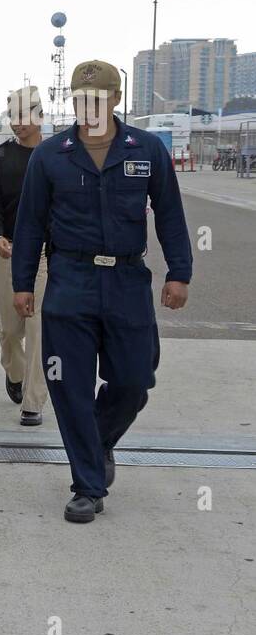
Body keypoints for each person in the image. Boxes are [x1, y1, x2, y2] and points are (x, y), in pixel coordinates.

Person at [12, 59, 191, 524]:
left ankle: (97, 441)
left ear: (115, 99)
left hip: (128, 281)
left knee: (135, 380)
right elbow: (29, 224)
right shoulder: (51, 155)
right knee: (68, 386)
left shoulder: (146, 149)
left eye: (97, 97)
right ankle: (88, 486)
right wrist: (22, 284)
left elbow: (169, 213)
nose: (87, 105)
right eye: (79, 98)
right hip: (70, 280)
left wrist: (179, 272)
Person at [0, 86, 48, 426]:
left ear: (40, 115)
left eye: (25, 117)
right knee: (10, 330)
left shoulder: (55, 155)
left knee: (38, 327)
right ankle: (15, 371)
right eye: (13, 118)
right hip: (8, 250)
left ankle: (33, 402)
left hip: (46, 254)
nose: (19, 124)